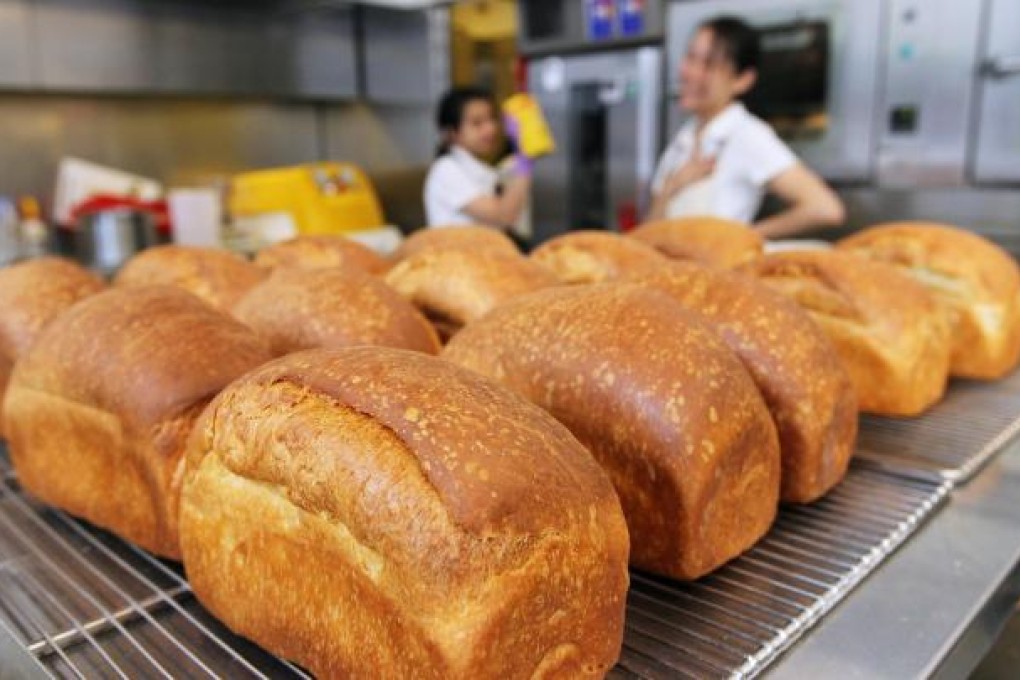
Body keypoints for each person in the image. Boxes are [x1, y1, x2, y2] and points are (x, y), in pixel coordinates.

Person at [647, 16, 845, 238]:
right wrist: (671, 187)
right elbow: (650, 232)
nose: (691, 72)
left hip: (717, 271)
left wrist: (742, 238)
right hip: (670, 269)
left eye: (709, 65)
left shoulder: (747, 135)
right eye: (691, 57)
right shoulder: (682, 140)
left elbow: (825, 209)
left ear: (743, 80)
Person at [423, 87, 532, 238]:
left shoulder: (481, 168)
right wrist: (524, 163)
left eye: (492, 119)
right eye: (477, 123)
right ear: (452, 133)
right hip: (458, 258)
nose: (491, 128)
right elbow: (503, 216)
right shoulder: (446, 170)